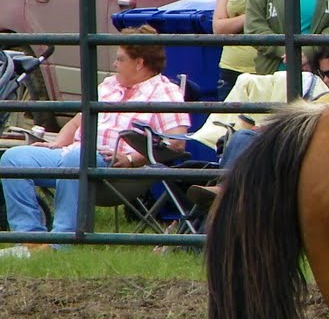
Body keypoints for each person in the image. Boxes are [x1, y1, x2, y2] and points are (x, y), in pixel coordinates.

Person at [0, 28, 188, 252]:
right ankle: (30, 239)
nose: (115, 64)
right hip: (74, 152)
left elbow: (175, 144)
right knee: (13, 158)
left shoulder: (166, 93)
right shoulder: (109, 85)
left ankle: (61, 243)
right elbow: (75, 122)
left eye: (120, 59)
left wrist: (130, 158)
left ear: (139, 63)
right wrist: (58, 143)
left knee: (76, 158)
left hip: (117, 167)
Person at [189, 22, 329, 207]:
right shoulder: (323, 98)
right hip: (300, 158)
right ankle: (228, 195)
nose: (326, 80)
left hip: (315, 162)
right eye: (322, 74)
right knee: (244, 137)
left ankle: (225, 194)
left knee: (245, 140)